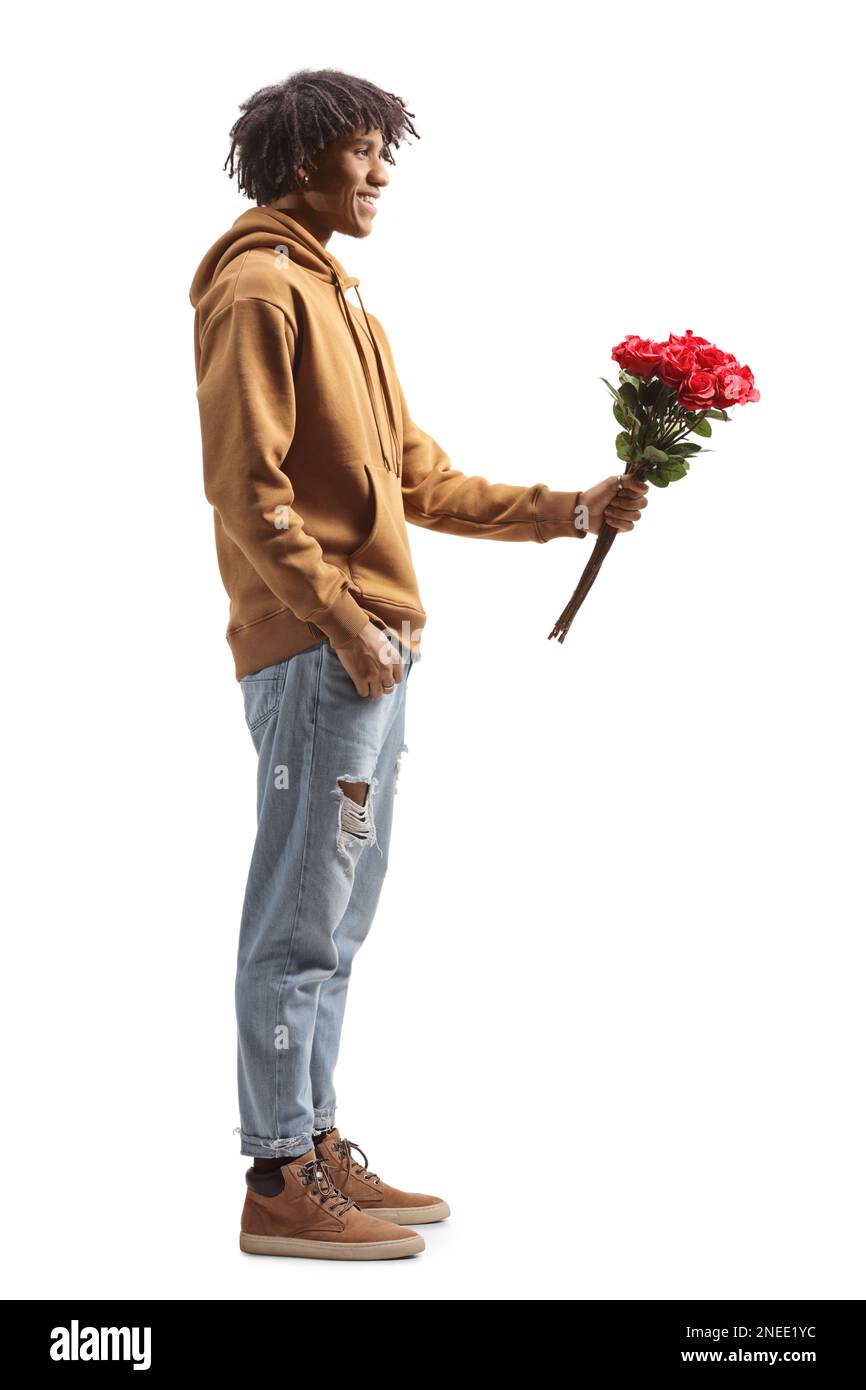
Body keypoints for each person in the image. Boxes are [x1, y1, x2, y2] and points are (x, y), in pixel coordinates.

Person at [189, 66, 648, 1262]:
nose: (383, 172)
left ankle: (315, 1134)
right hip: (320, 655)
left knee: (336, 918)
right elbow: (247, 489)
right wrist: (342, 621)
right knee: (296, 918)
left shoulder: (347, 306)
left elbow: (416, 478)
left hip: (370, 656)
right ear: (303, 161)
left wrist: (570, 508)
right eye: (366, 151)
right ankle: (276, 1173)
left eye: (388, 151)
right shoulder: (255, 288)